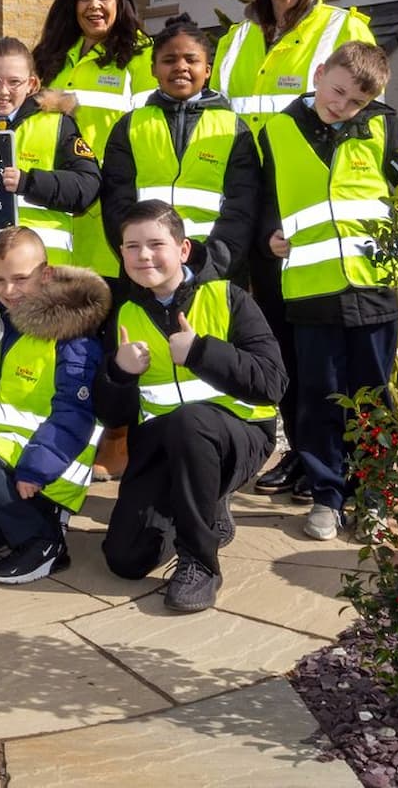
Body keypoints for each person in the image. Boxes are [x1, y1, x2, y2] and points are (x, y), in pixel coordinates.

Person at [212, 0, 375, 500]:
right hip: (247, 197)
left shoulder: (343, 26)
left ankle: (334, 458)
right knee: (274, 334)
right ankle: (301, 452)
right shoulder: (234, 40)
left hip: (306, 203)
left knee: (322, 337)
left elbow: (367, 118)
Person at [256, 41, 398, 540]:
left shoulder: (386, 129)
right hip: (311, 292)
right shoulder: (276, 132)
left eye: (355, 102)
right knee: (318, 398)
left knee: (372, 397)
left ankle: (373, 494)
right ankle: (328, 496)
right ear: (321, 72)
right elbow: (261, 198)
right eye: (338, 91)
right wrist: (268, 234)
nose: (342, 105)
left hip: (374, 291)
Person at [96, 201, 288, 611]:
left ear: (183, 250)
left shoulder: (227, 295)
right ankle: (203, 503)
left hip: (237, 436)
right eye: (131, 246)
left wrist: (201, 352)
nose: (143, 255)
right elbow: (113, 416)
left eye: (155, 244)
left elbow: (274, 383)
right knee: (125, 559)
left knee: (192, 420)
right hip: (163, 447)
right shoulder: (126, 311)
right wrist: (120, 372)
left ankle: (200, 562)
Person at [0, 227, 108, 584]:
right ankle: (38, 520)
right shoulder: (3, 324)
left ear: (46, 275)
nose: (8, 291)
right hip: (9, 463)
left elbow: (74, 415)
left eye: (20, 279)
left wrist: (35, 470)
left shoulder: (74, 338)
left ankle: (45, 542)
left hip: (49, 467)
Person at [98, 17, 260, 283]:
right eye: (169, 60)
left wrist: (209, 265)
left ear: (207, 70)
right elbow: (117, 205)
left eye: (191, 60)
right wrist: (144, 260)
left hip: (214, 275)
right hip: (145, 274)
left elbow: (242, 209)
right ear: (153, 69)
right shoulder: (129, 127)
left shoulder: (233, 128)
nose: (180, 67)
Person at [0, 37, 101, 294]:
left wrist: (28, 183)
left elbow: (87, 187)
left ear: (32, 84)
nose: (3, 91)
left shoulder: (58, 124)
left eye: (14, 82)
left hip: (45, 273)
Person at [31, 0, 157, 279]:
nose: (94, 6)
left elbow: (151, 136)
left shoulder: (142, 57)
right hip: (52, 206)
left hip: (108, 208)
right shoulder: (48, 57)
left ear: (121, 2)